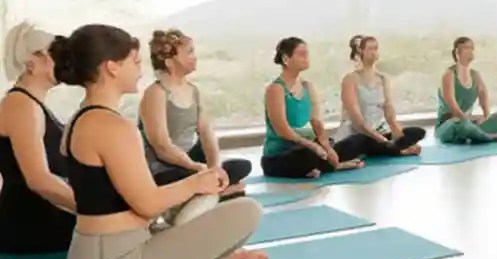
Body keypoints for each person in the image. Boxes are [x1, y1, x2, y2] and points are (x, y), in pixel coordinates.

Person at [53, 24, 266, 259]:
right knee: (248, 210)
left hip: (88, 258)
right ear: (111, 67)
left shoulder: (78, 119)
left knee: (185, 221)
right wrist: (196, 182)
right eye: (135, 61)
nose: (140, 70)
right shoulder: (114, 127)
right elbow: (148, 204)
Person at [140, 30, 253, 202]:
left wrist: (215, 168)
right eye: (190, 52)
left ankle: (212, 190)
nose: (195, 57)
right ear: (170, 61)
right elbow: (162, 146)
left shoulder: (193, 91)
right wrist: (196, 167)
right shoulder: (155, 93)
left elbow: (206, 133)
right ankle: (218, 191)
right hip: (164, 169)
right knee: (195, 177)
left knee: (242, 166)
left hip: (190, 162)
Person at [0, 22, 75, 256]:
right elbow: (39, 180)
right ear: (32, 61)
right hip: (33, 224)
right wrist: (95, 210)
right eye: (56, 55)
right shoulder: (22, 106)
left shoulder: (31, 104)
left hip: (42, 216)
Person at [261, 37, 366, 178]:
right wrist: (313, 146)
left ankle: (329, 165)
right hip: (280, 155)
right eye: (301, 54)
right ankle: (318, 166)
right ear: (286, 59)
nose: (306, 58)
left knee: (351, 142)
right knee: (308, 154)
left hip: (307, 147)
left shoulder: (307, 87)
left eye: (307, 54)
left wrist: (328, 149)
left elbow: (316, 123)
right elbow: (282, 129)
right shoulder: (275, 89)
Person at [333, 35, 425, 156]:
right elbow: (357, 121)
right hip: (357, 133)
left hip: (380, 130)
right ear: (361, 51)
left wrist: (402, 139)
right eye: (370, 48)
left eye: (376, 48)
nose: (374, 52)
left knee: (418, 132)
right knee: (360, 142)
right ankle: (395, 150)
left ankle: (388, 147)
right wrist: (380, 139)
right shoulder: (350, 79)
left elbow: (389, 113)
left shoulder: (383, 78)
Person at [436, 37, 497, 144]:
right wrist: (466, 120)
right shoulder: (449, 75)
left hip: (469, 123)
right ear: (457, 52)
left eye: (471, 48)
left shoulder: (476, 75)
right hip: (449, 125)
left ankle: (475, 134)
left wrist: (486, 117)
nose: (470, 51)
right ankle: (488, 136)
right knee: (461, 124)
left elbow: (483, 96)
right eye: (466, 48)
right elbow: (452, 104)